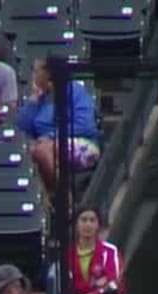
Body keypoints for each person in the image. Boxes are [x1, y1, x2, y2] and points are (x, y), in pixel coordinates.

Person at [18, 56, 101, 199]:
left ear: (48, 73)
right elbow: (22, 128)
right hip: (44, 145)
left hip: (82, 143)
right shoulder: (41, 98)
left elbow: (85, 125)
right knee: (27, 150)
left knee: (41, 150)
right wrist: (32, 102)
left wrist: (51, 137)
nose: (33, 75)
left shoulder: (74, 90)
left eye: (36, 71)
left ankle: (65, 197)